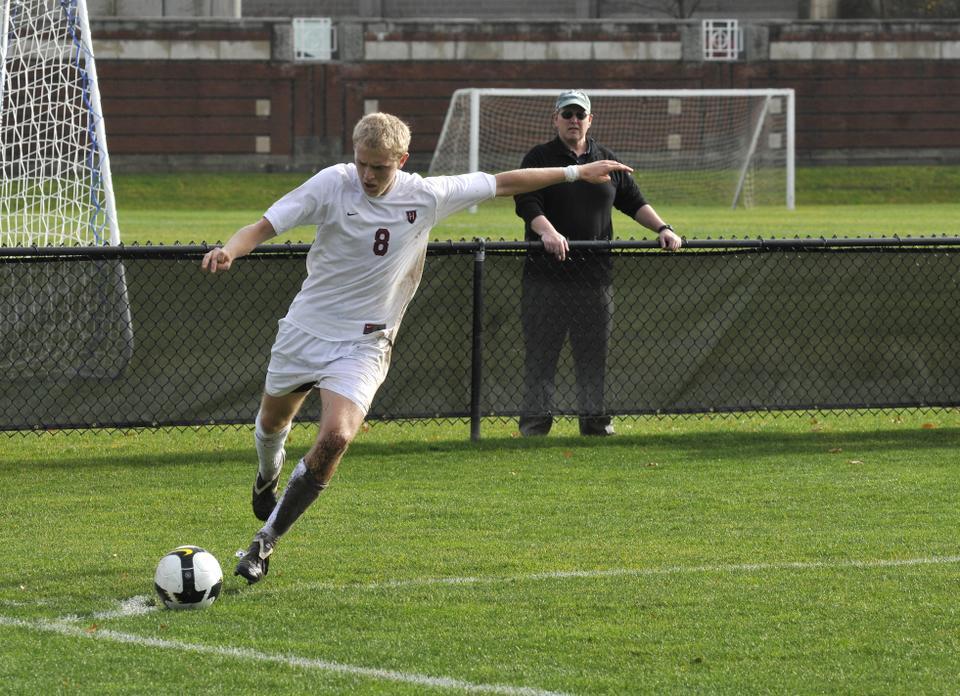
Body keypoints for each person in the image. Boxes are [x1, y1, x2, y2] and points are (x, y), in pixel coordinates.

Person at [201, 112, 633, 585]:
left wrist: (575, 172)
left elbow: (504, 182)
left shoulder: (425, 195)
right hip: (305, 331)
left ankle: (264, 542)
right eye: (362, 163)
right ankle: (267, 475)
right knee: (271, 426)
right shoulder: (331, 183)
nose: (368, 175)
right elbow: (264, 226)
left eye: (380, 167)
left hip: (365, 342)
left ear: (402, 160)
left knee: (337, 438)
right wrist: (230, 250)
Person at [515, 89, 682, 438]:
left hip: (595, 279)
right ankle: (535, 426)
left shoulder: (606, 160)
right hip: (545, 279)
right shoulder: (539, 157)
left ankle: (595, 423)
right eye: (567, 114)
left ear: (590, 120)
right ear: (555, 119)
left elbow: (633, 200)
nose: (574, 120)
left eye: (580, 115)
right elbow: (527, 202)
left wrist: (663, 228)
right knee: (541, 356)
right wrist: (548, 232)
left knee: (593, 357)